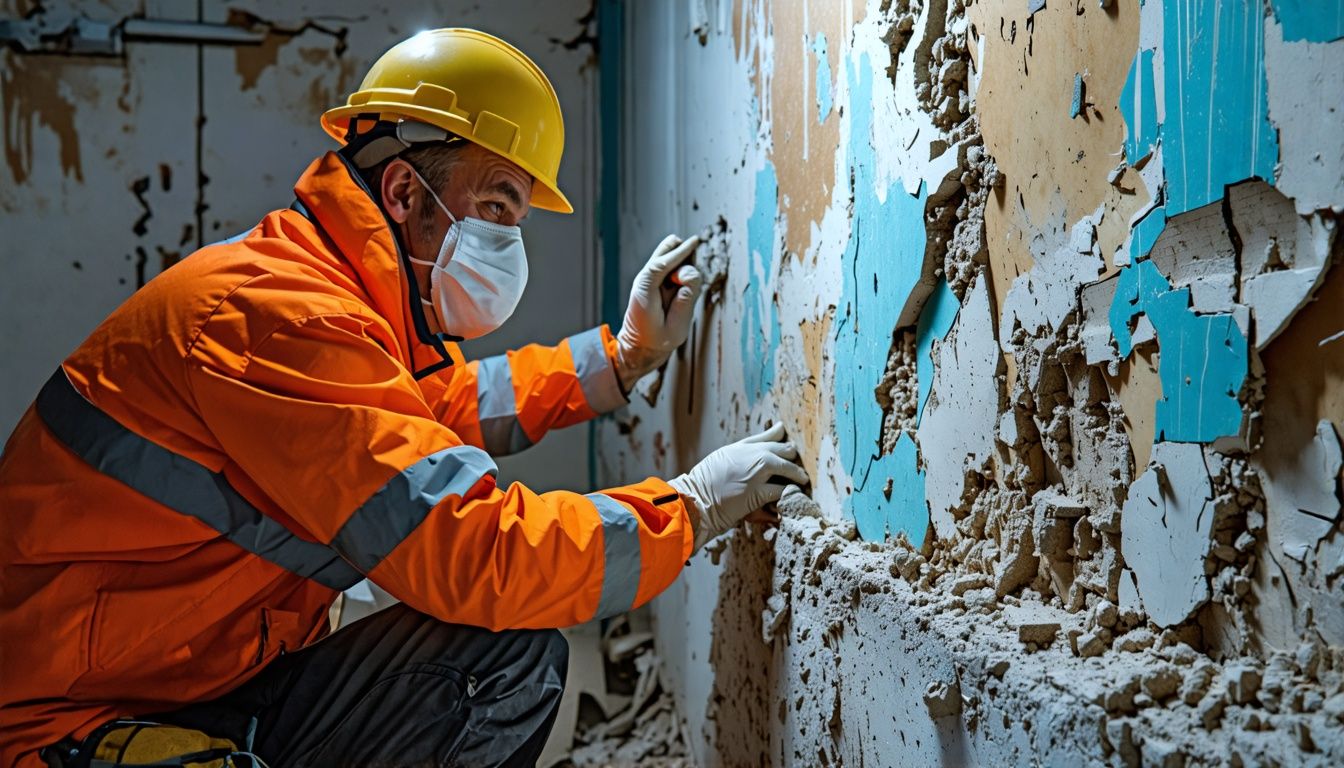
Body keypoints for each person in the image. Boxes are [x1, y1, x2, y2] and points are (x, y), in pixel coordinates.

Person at [0, 27, 808, 767]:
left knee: (505, 662)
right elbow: (474, 551)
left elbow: (434, 412)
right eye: (495, 205)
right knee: (503, 649)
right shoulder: (275, 316)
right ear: (401, 192)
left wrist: (621, 358)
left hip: (188, 676)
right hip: (66, 721)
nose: (507, 242)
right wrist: (689, 508)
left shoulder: (330, 300)